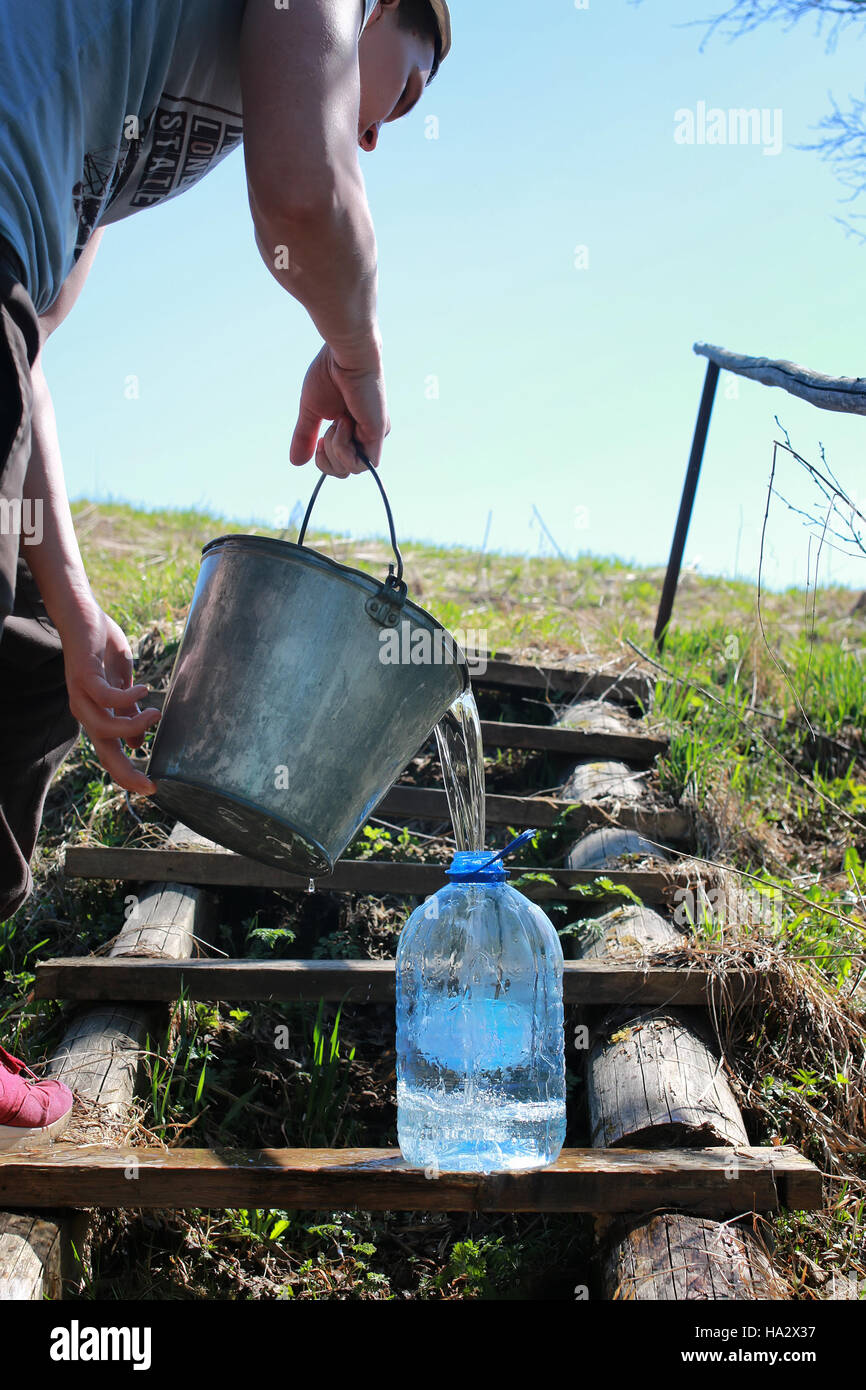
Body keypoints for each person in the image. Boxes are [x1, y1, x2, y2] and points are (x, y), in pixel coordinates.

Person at [0, 0, 452, 1146]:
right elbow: (303, 197)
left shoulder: (115, 126)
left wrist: (73, 597)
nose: (386, 129)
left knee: (19, 676)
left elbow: (27, 352)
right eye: (407, 87)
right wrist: (357, 355)